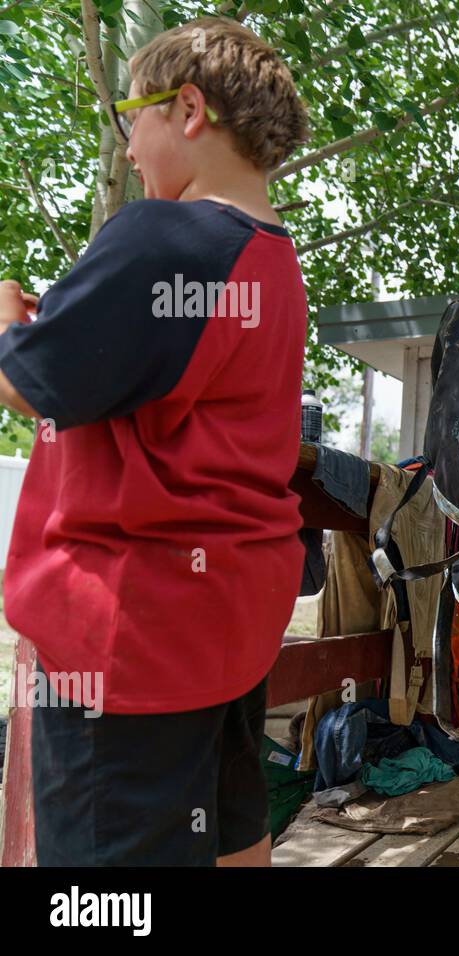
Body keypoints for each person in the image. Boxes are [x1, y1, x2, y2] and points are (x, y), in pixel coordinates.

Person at [0, 17, 311, 866]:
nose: (130, 148)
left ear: (190, 108)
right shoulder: (274, 263)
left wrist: (8, 322)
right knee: (234, 833)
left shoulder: (163, 235)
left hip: (129, 636)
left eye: (130, 116)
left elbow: (26, 385)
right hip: (229, 624)